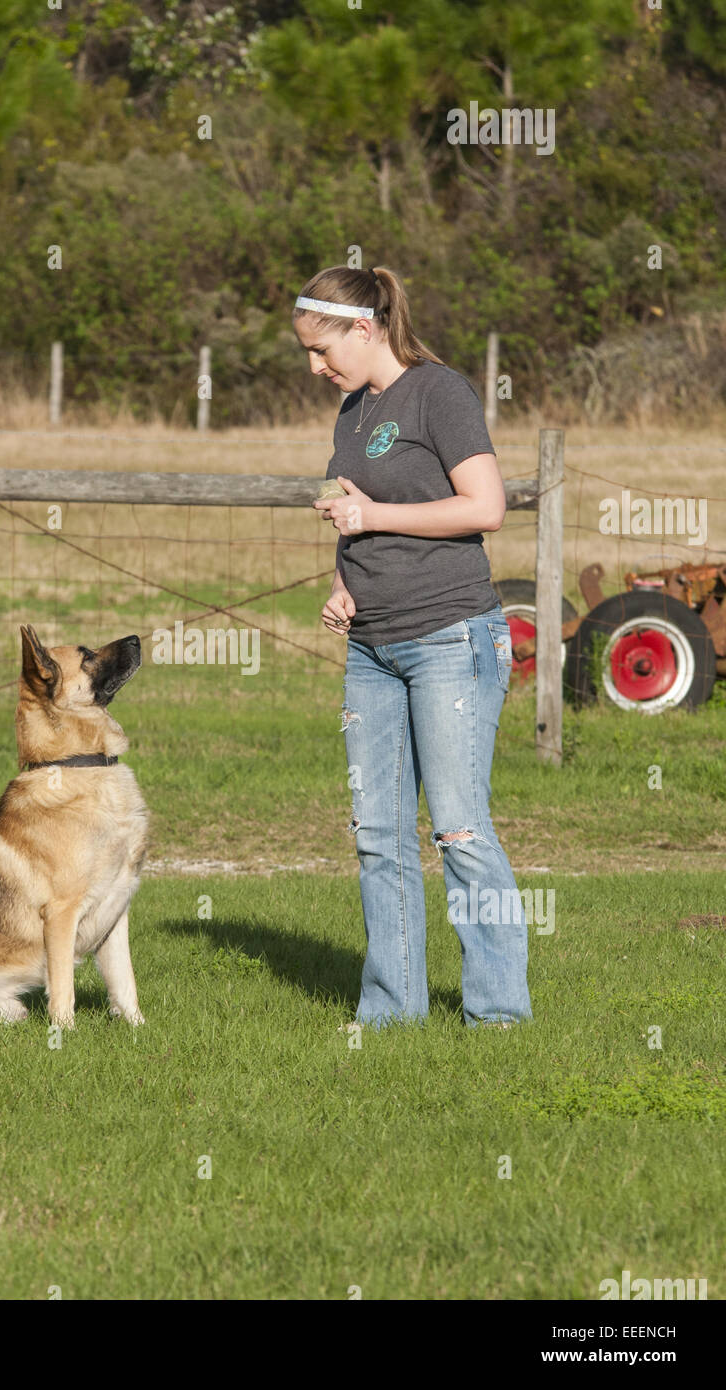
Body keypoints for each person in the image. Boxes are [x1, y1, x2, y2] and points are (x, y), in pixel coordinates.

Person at [294, 264, 532, 1031]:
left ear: (364, 328)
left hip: (450, 639)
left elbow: (485, 507)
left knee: (459, 829)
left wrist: (375, 522)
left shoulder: (442, 393)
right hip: (372, 648)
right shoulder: (351, 412)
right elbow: (354, 513)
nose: (314, 367)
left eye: (321, 350)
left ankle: (499, 1016)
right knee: (378, 837)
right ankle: (392, 1013)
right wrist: (344, 581)